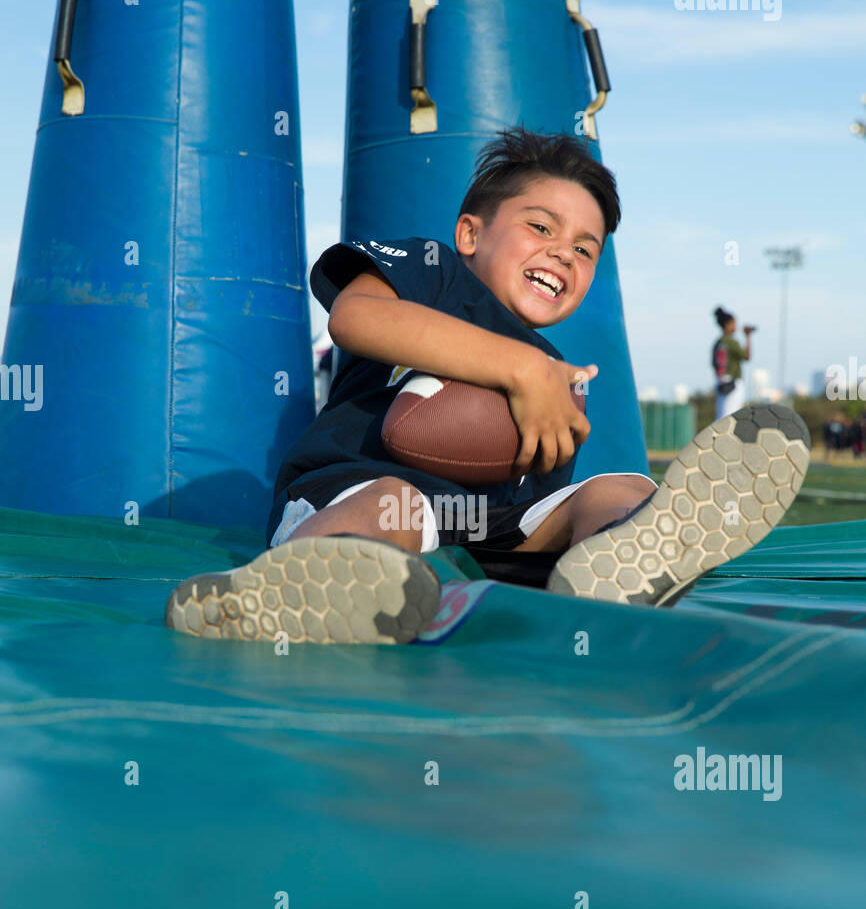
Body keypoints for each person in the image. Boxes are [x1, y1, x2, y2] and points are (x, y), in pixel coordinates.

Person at [165, 125, 810, 645]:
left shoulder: (555, 368)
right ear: (471, 232)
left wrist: (551, 419)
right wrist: (519, 370)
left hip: (486, 533)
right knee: (397, 505)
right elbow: (352, 317)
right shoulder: (437, 273)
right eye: (541, 226)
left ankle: (627, 556)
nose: (564, 253)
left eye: (586, 250)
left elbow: (532, 491)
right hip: (360, 496)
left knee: (618, 487)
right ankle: (292, 588)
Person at [711, 307, 752, 418]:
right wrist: (748, 337)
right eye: (734, 323)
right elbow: (747, 356)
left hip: (721, 383)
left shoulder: (718, 342)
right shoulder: (731, 342)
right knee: (731, 417)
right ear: (727, 324)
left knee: (722, 415)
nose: (735, 326)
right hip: (733, 384)